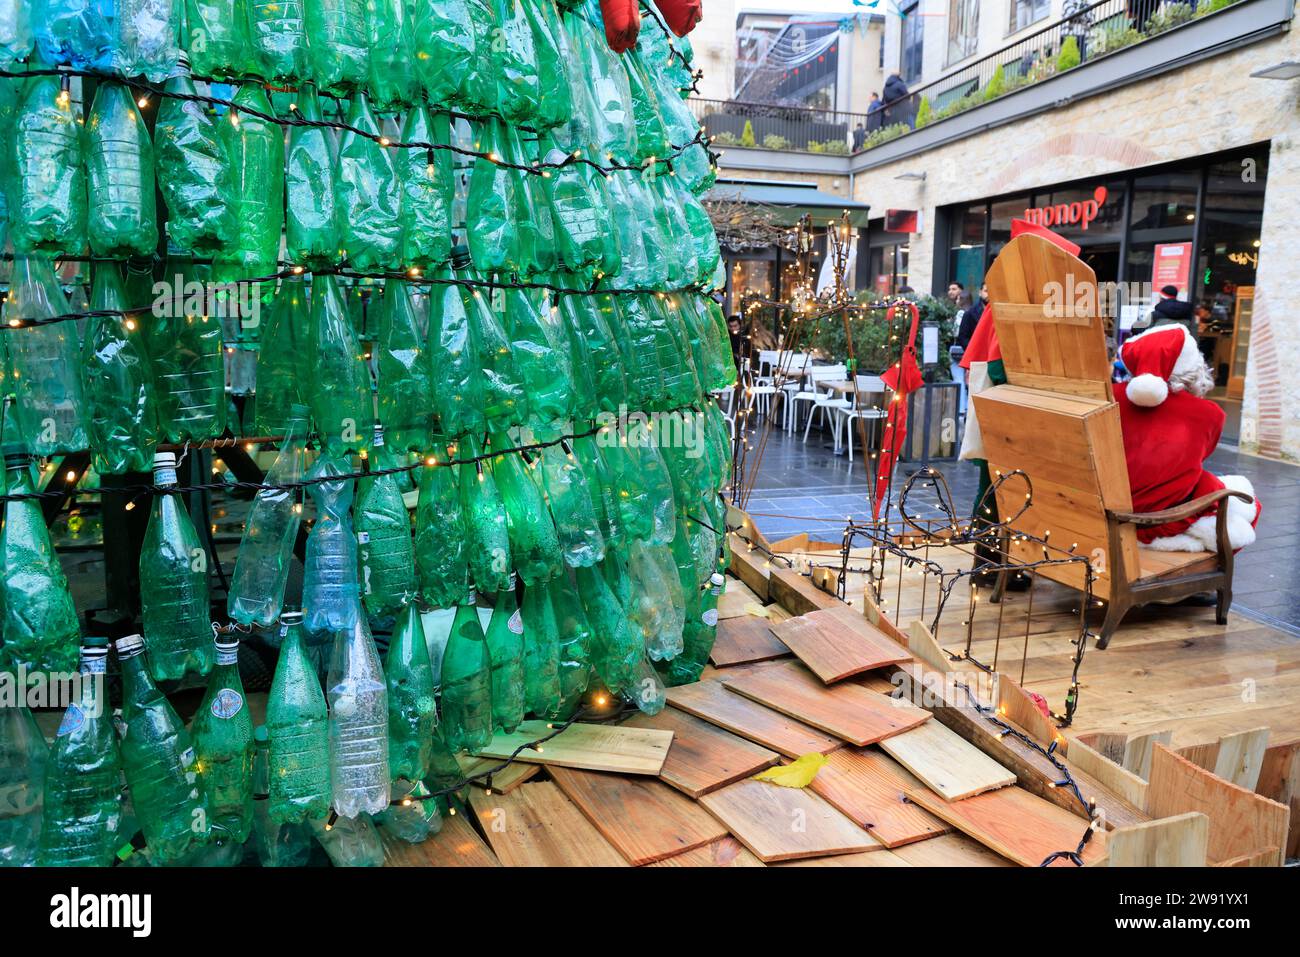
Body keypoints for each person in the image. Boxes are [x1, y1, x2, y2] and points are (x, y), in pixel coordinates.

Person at [1115, 324, 1260, 553]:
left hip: (1107, 511)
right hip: (1157, 521)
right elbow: (1196, 458)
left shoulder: (1111, 398)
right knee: (1244, 501)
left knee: (1207, 483)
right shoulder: (1209, 414)